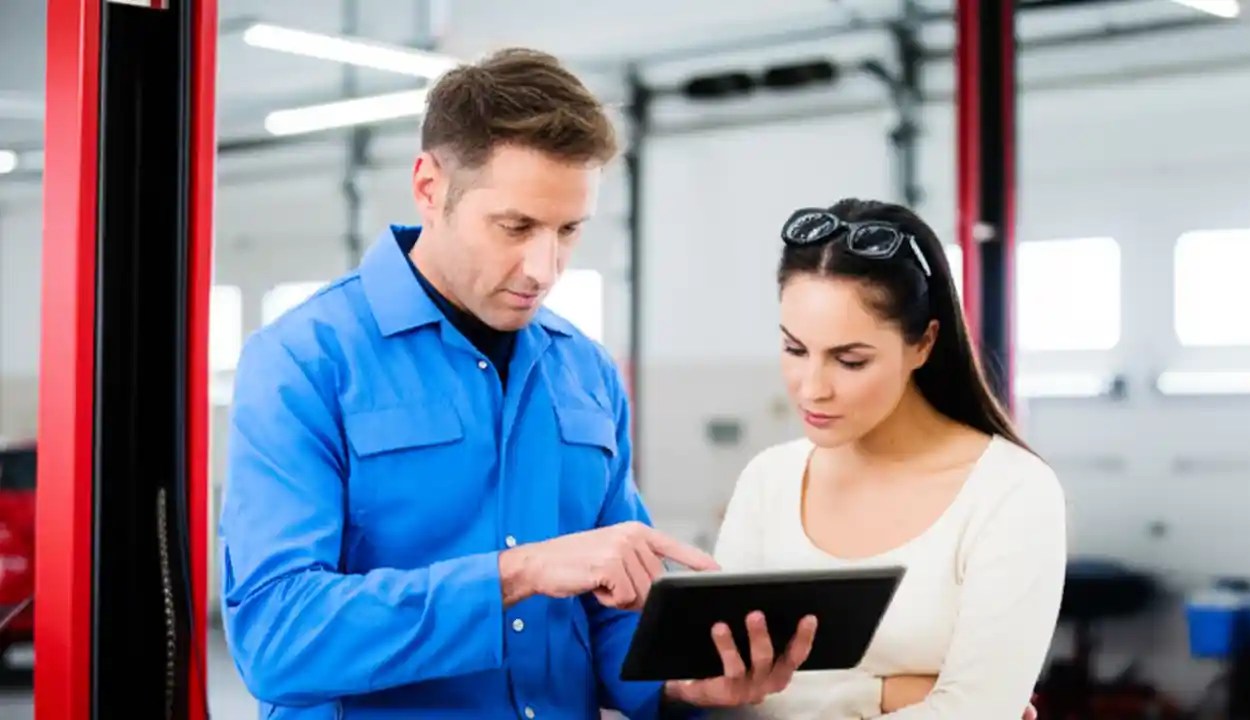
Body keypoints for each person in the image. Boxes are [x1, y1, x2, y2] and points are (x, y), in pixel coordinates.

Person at [218, 48, 816, 719]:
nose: (544, 266)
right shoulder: (305, 361)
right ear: (429, 187)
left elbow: (612, 612)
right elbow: (278, 640)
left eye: (568, 230)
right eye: (516, 227)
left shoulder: (584, 371)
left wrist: (677, 681)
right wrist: (517, 574)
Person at [710, 199, 1067, 719]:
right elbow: (725, 698)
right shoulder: (769, 480)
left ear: (924, 343)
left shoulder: (1011, 491)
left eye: (850, 360)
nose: (813, 388)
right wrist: (883, 696)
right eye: (794, 349)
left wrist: (806, 701)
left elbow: (980, 711)